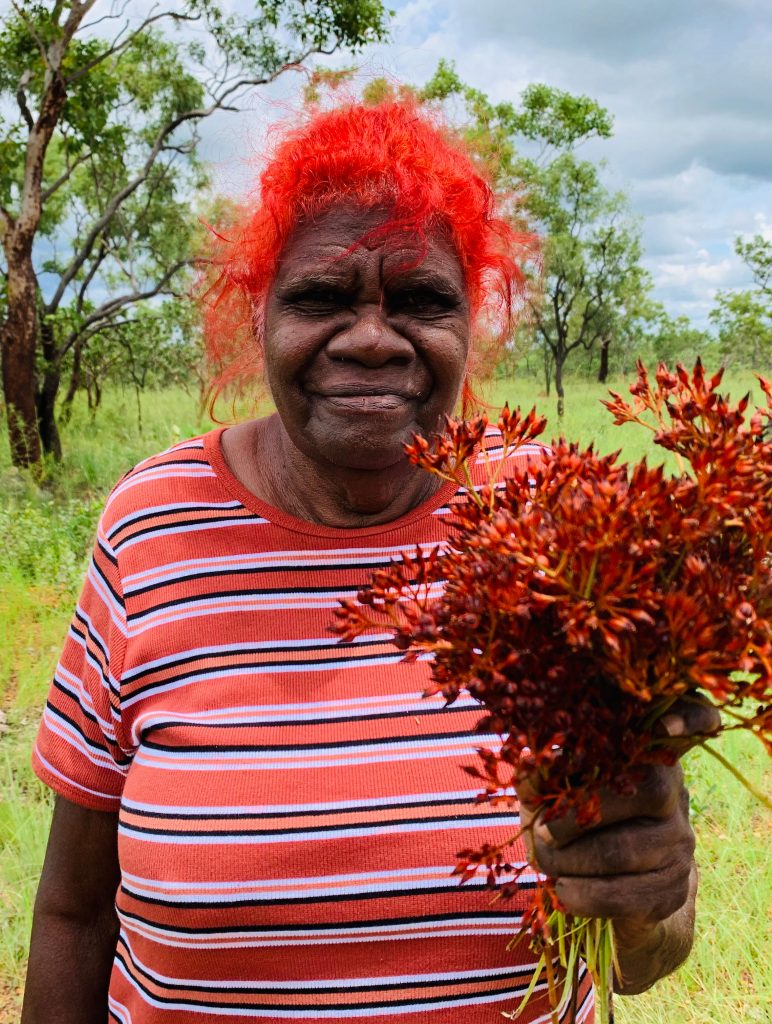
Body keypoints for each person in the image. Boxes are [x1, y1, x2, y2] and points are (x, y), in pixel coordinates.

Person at [21, 99, 714, 1024]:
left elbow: (644, 957)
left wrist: (646, 890)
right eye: (322, 297)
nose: (374, 337)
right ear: (257, 313)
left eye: (423, 301)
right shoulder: (154, 523)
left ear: (473, 321)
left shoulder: (554, 531)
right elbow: (73, 909)